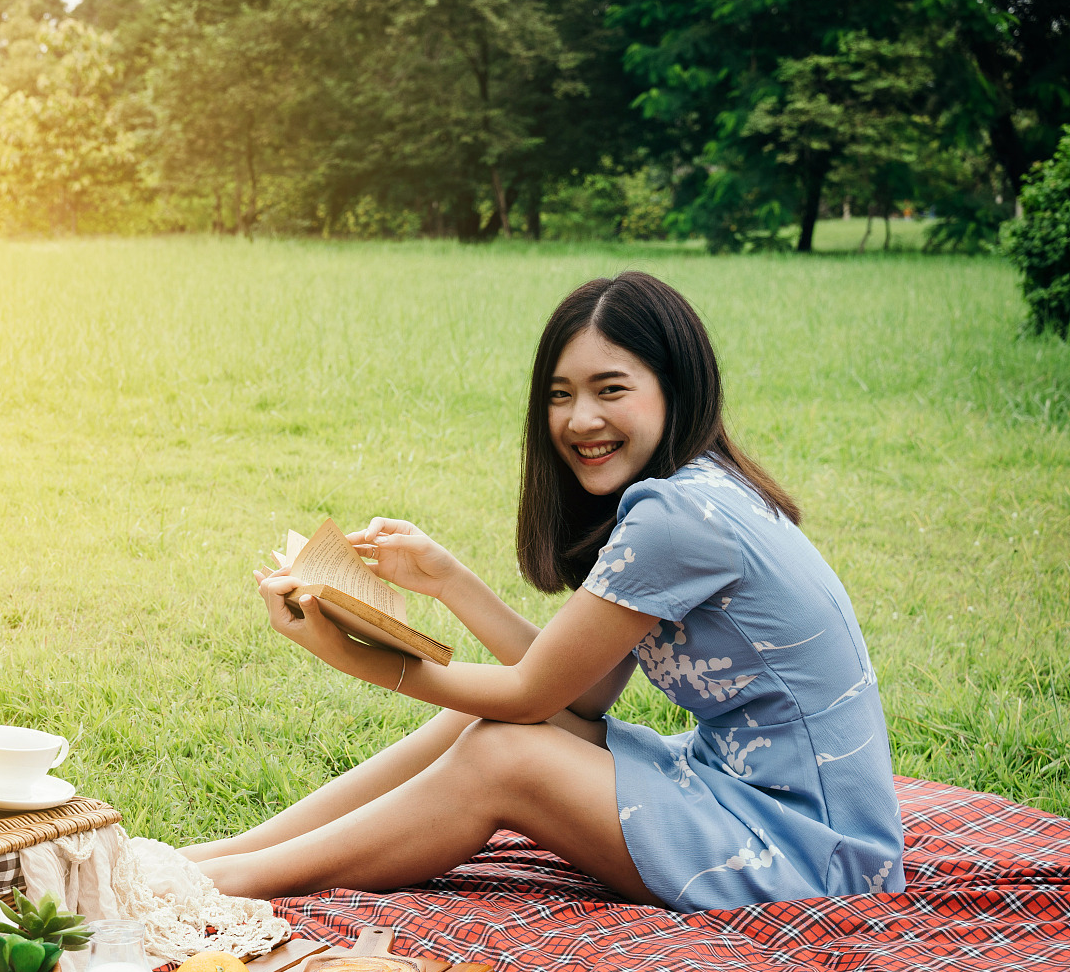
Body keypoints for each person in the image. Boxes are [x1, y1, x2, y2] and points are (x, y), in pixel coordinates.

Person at [184, 271, 903, 912]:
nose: (579, 419)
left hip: (812, 853)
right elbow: (578, 695)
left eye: (610, 389)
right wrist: (447, 579)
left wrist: (349, 653)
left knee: (504, 753)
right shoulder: (691, 491)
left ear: (673, 386)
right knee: (472, 724)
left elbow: (532, 697)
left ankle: (217, 886)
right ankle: (213, 858)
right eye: (560, 396)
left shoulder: (677, 518)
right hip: (745, 797)